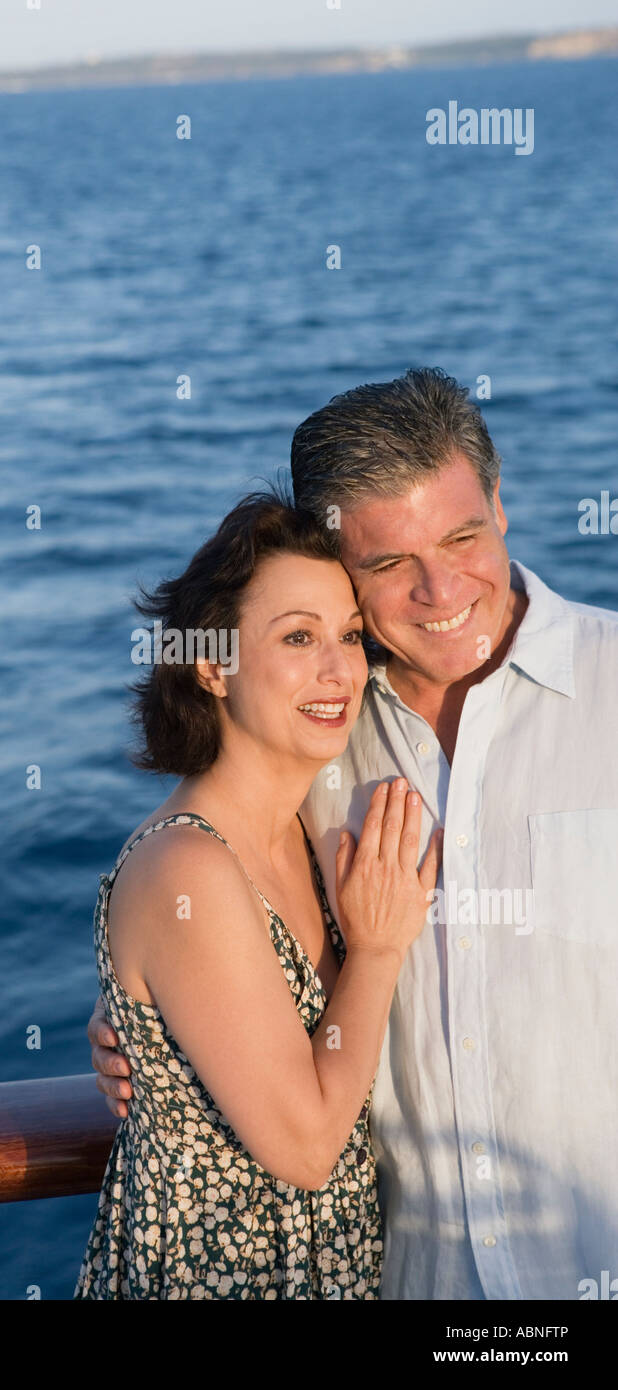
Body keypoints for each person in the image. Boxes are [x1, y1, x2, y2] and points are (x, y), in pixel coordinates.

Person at [90, 367, 618, 1300]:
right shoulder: (320, 736)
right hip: (414, 1281)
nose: (440, 588)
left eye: (462, 536)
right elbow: (204, 901)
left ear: (500, 504)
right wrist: (141, 1019)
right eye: (388, 565)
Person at [75, 490, 441, 1299]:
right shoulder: (188, 868)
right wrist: (377, 951)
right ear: (212, 665)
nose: (340, 669)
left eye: (350, 635)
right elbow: (306, 1150)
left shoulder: (307, 829)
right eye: (298, 637)